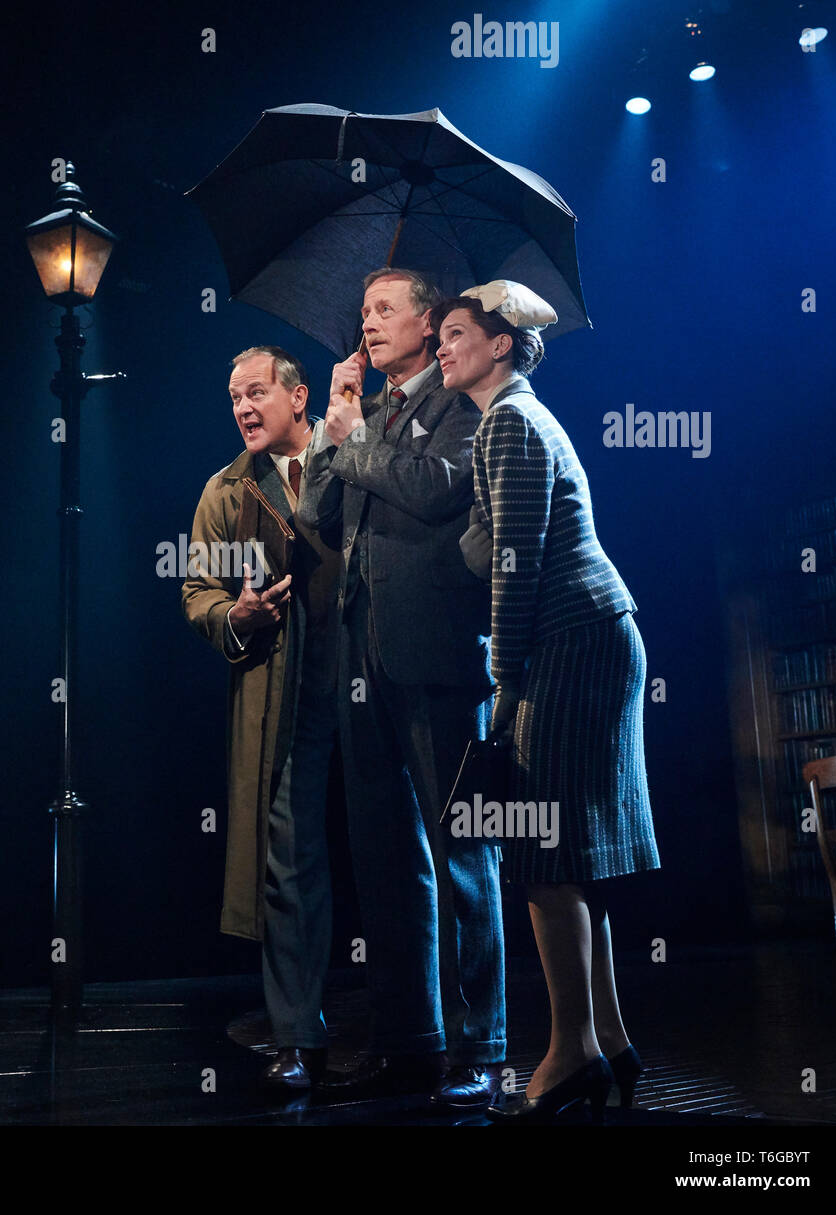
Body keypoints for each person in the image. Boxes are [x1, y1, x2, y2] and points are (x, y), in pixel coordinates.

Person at [430, 280, 662, 1123]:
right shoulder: (510, 424)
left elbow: (514, 566)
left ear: (500, 344)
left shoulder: (512, 422)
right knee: (568, 852)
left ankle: (571, 1053)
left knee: (540, 848)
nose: (442, 345)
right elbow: (494, 544)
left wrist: (504, 676)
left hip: (571, 642)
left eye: (456, 333)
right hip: (587, 637)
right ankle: (606, 1037)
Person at [297, 268, 505, 1109]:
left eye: (385, 309)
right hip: (362, 661)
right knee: (384, 857)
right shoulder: (365, 411)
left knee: (461, 853)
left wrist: (357, 442)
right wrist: (331, 430)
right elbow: (317, 515)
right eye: (363, 313)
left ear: (429, 323)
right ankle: (409, 1038)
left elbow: (433, 490)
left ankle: (480, 1045)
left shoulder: (462, 402)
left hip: (437, 653)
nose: (369, 322)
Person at [182, 345, 343, 1090]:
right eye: (233, 397)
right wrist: (237, 615)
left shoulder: (350, 456)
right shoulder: (225, 490)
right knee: (288, 864)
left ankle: (425, 1031)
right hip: (283, 690)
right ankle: (296, 1035)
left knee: (396, 853)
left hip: (369, 676)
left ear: (298, 396)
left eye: (255, 393)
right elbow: (198, 594)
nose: (242, 407)